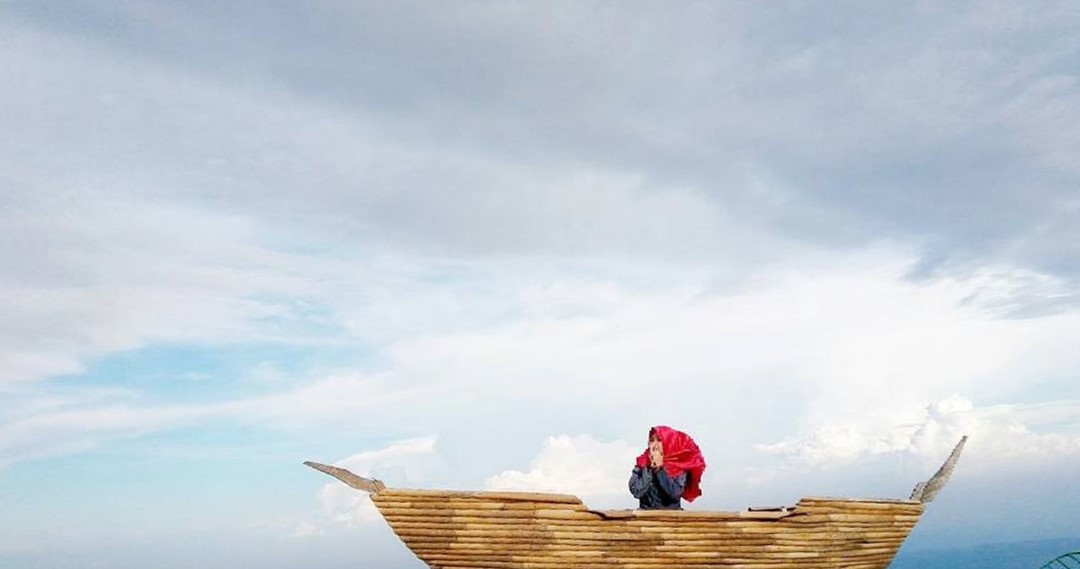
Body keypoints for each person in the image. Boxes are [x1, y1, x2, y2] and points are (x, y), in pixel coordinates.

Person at [628, 426, 706, 510]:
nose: (655, 445)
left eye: (659, 440)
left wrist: (660, 470)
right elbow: (636, 492)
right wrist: (649, 470)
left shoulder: (678, 466)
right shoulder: (642, 463)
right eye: (652, 441)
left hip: (671, 518)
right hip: (646, 518)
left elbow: (675, 494)